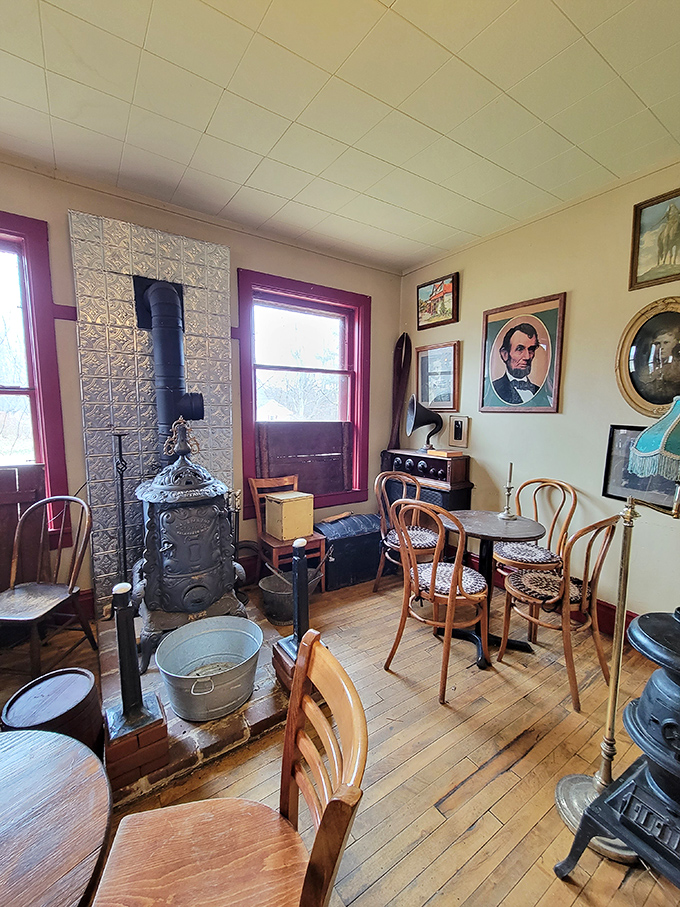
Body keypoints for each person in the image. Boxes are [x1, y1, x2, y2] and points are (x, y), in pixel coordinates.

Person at [492, 323, 541, 405]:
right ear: (505, 354)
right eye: (519, 349)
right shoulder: (494, 389)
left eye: (531, 349)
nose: (527, 357)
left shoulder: (539, 391)